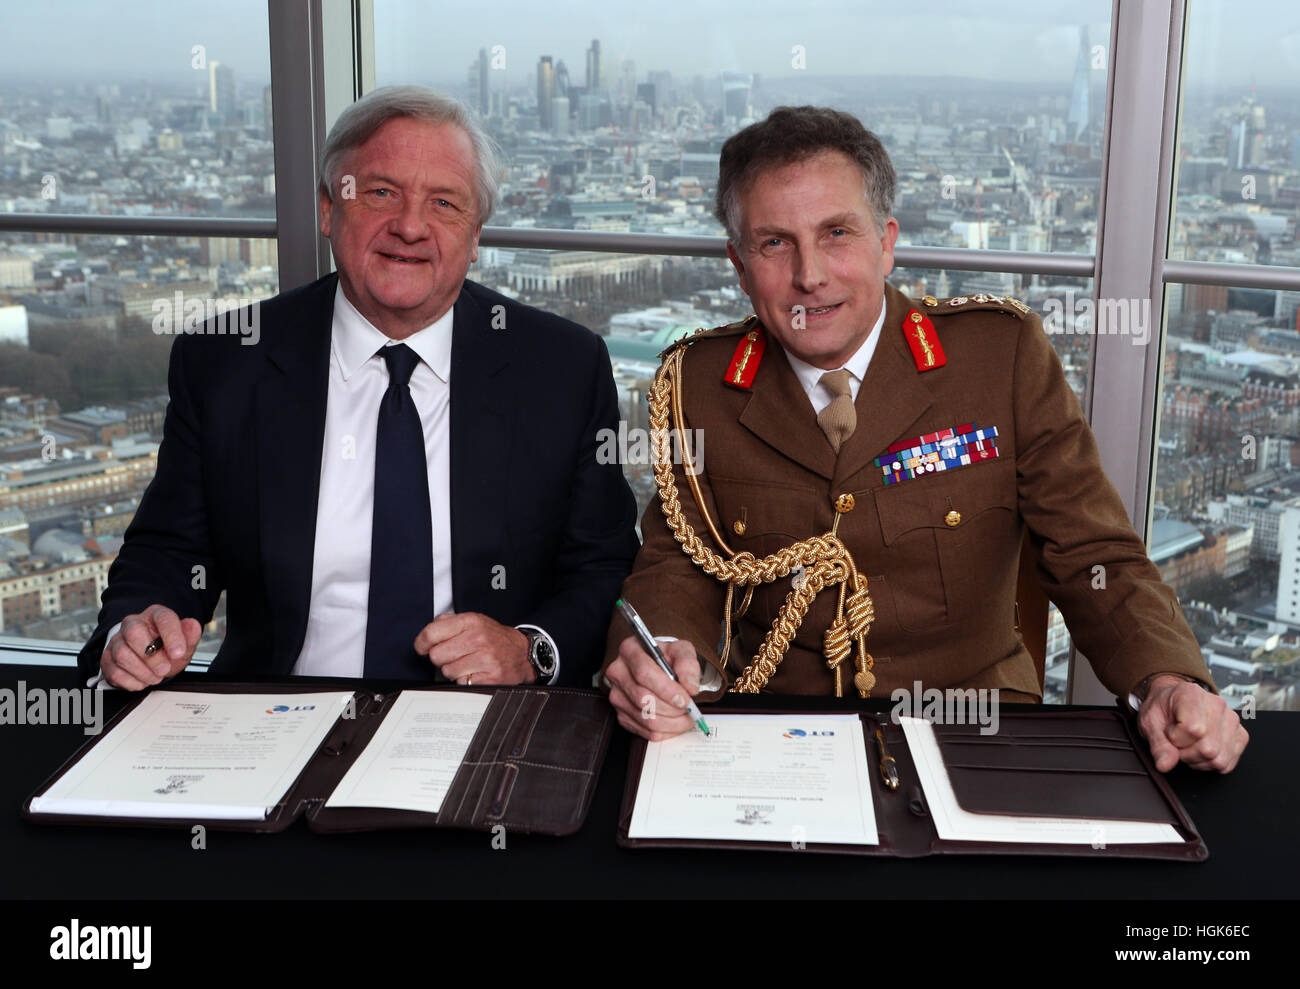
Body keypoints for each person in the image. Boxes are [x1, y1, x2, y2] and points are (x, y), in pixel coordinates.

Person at [604, 105, 1248, 773]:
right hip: (773, 739)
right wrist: (667, 655)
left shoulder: (998, 359)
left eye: (836, 233)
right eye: (775, 243)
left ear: (886, 242)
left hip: (975, 734)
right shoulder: (699, 383)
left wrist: (1169, 679)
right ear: (740, 266)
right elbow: (676, 565)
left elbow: (1094, 554)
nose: (810, 275)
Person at [81, 86, 638, 690]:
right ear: (328, 208)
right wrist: (135, 632)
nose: (410, 226)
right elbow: (168, 552)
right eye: (380, 193)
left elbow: (603, 568)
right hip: (276, 717)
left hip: (488, 719)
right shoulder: (226, 362)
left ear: (475, 236)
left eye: (445, 204)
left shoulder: (560, 367)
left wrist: (532, 650)